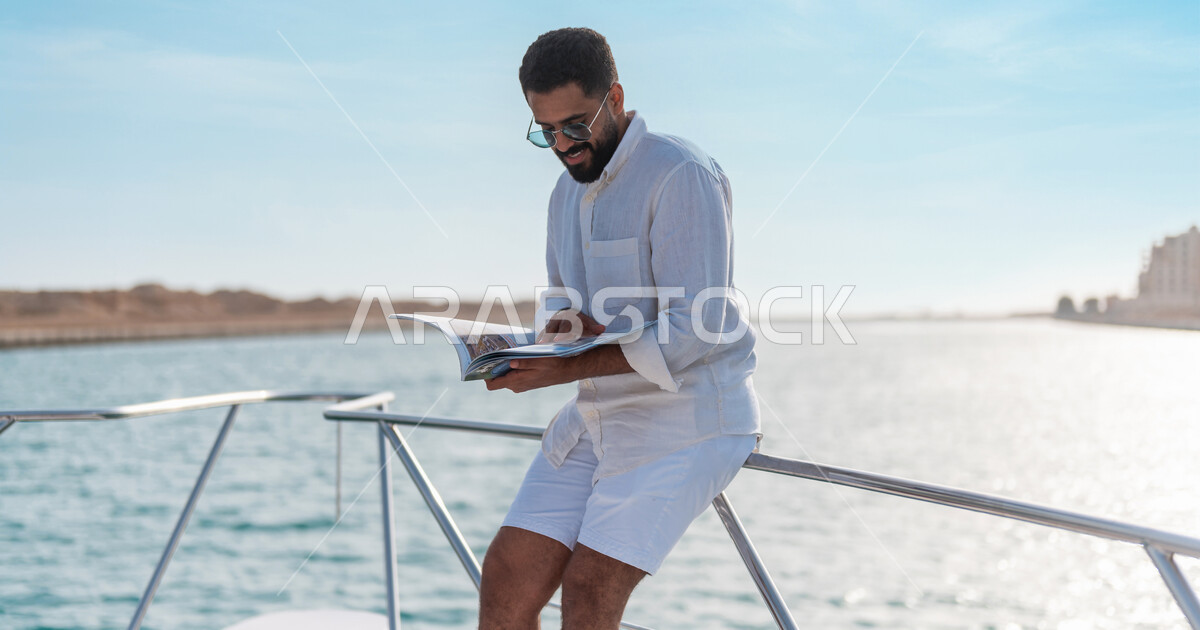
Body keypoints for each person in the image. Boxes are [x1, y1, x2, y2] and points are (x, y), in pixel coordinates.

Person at [479, 27, 761, 629]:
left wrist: (571, 363)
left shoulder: (680, 173)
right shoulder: (563, 195)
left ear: (617, 97)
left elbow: (697, 330)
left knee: (589, 589)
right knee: (505, 574)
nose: (564, 145)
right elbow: (563, 307)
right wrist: (529, 347)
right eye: (546, 131)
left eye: (576, 125)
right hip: (596, 416)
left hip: (687, 419)